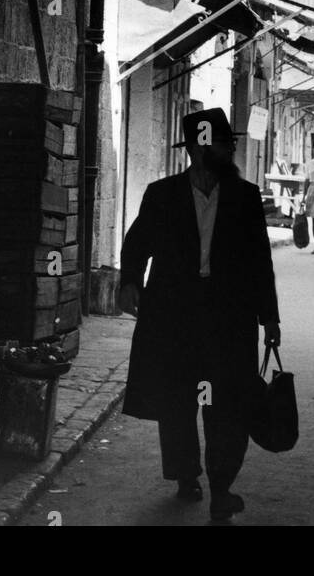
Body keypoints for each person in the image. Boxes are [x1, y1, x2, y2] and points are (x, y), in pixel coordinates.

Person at [118, 108, 281, 522]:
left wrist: (270, 319)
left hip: (228, 318)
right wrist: (130, 281)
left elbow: (260, 260)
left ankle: (222, 487)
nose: (228, 150)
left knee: (227, 403)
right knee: (178, 399)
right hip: (174, 316)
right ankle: (186, 474)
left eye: (228, 144)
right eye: (219, 143)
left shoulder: (244, 198)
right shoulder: (162, 194)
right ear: (196, 148)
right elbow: (138, 243)